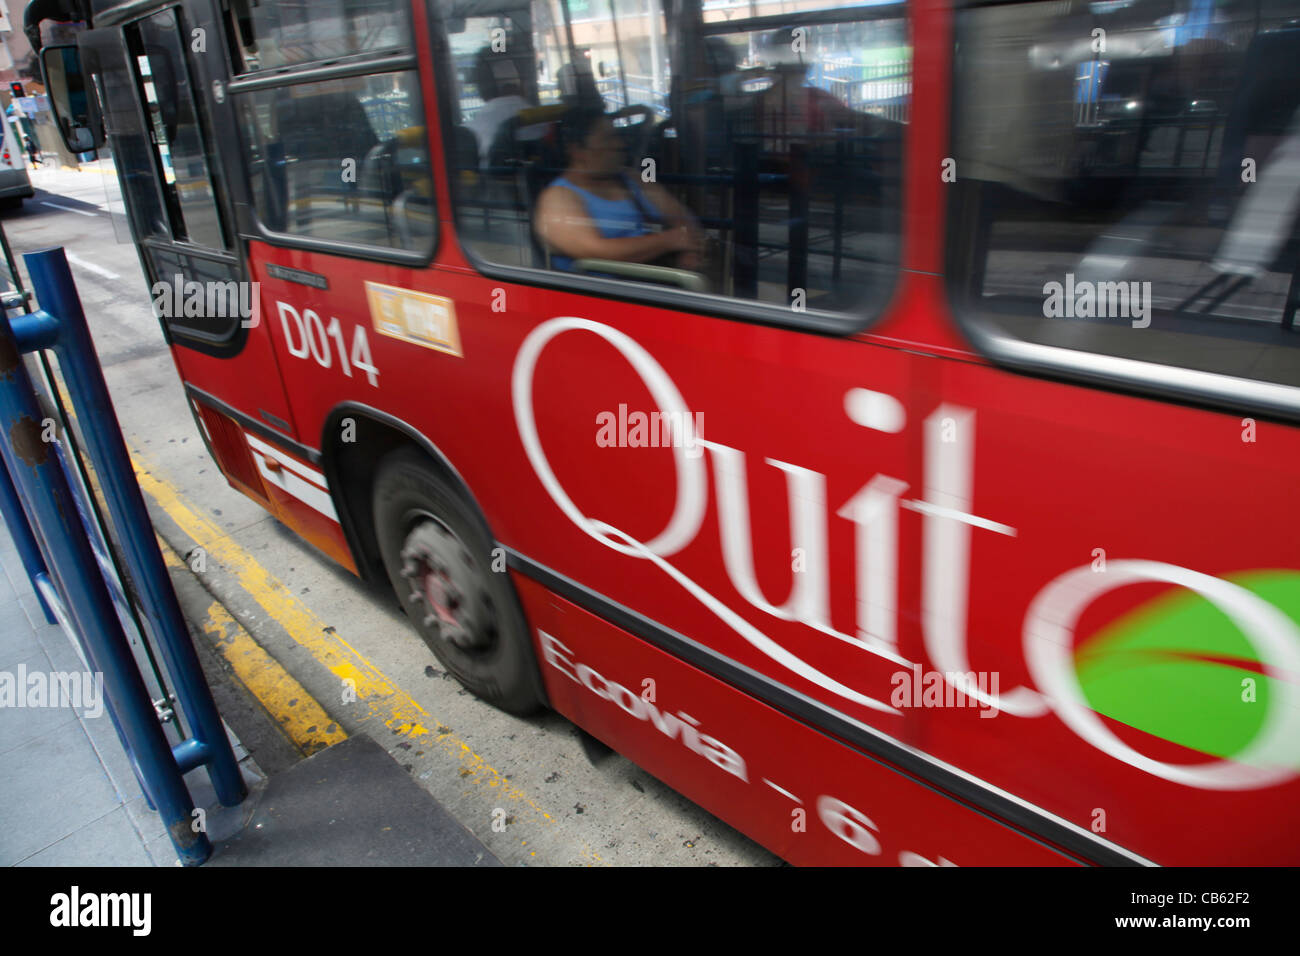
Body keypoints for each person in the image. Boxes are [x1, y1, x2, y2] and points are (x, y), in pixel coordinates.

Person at [534, 107, 703, 272]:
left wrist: (689, 251)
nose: (619, 145)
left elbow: (680, 215)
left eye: (618, 137)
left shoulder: (633, 179)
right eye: (608, 139)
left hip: (652, 281)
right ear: (577, 150)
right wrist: (670, 240)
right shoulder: (558, 198)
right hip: (602, 292)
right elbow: (594, 251)